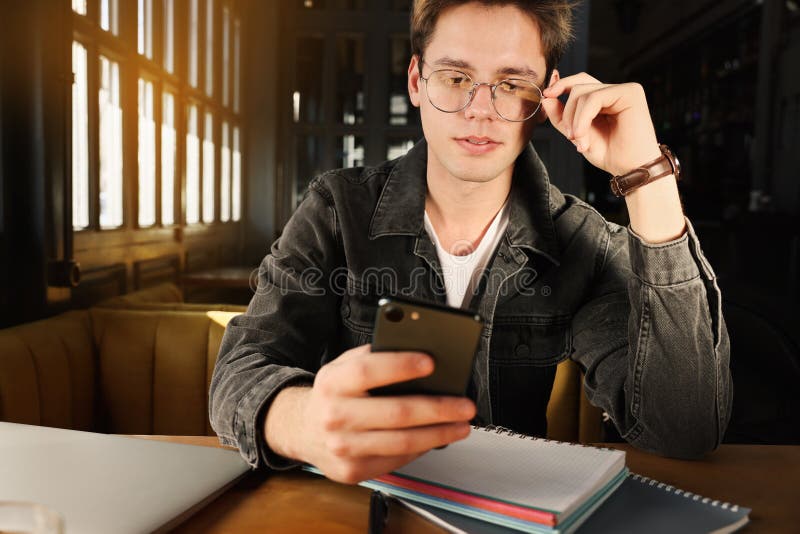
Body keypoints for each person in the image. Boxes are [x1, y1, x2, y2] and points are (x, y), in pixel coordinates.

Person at [209, 0, 732, 484]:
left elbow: (682, 428)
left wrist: (648, 177)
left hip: (513, 512)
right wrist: (303, 421)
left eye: (510, 83)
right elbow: (238, 372)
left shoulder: (580, 241)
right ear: (416, 80)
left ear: (546, 96)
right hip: (358, 504)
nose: (480, 109)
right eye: (457, 77)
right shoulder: (336, 210)